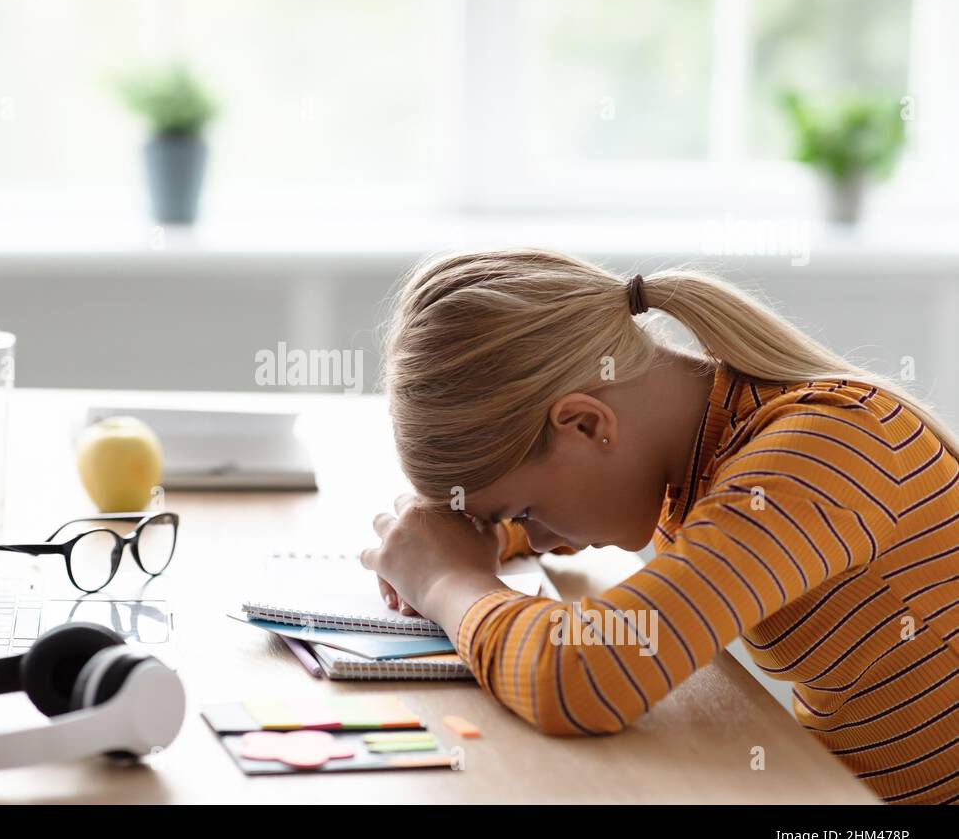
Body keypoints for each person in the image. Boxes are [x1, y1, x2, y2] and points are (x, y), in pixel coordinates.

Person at [361, 249, 959, 804]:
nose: (542, 538)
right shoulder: (701, 450)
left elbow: (584, 674)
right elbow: (571, 523)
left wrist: (445, 580)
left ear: (587, 424)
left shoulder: (821, 452)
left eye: (523, 513)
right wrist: (473, 528)